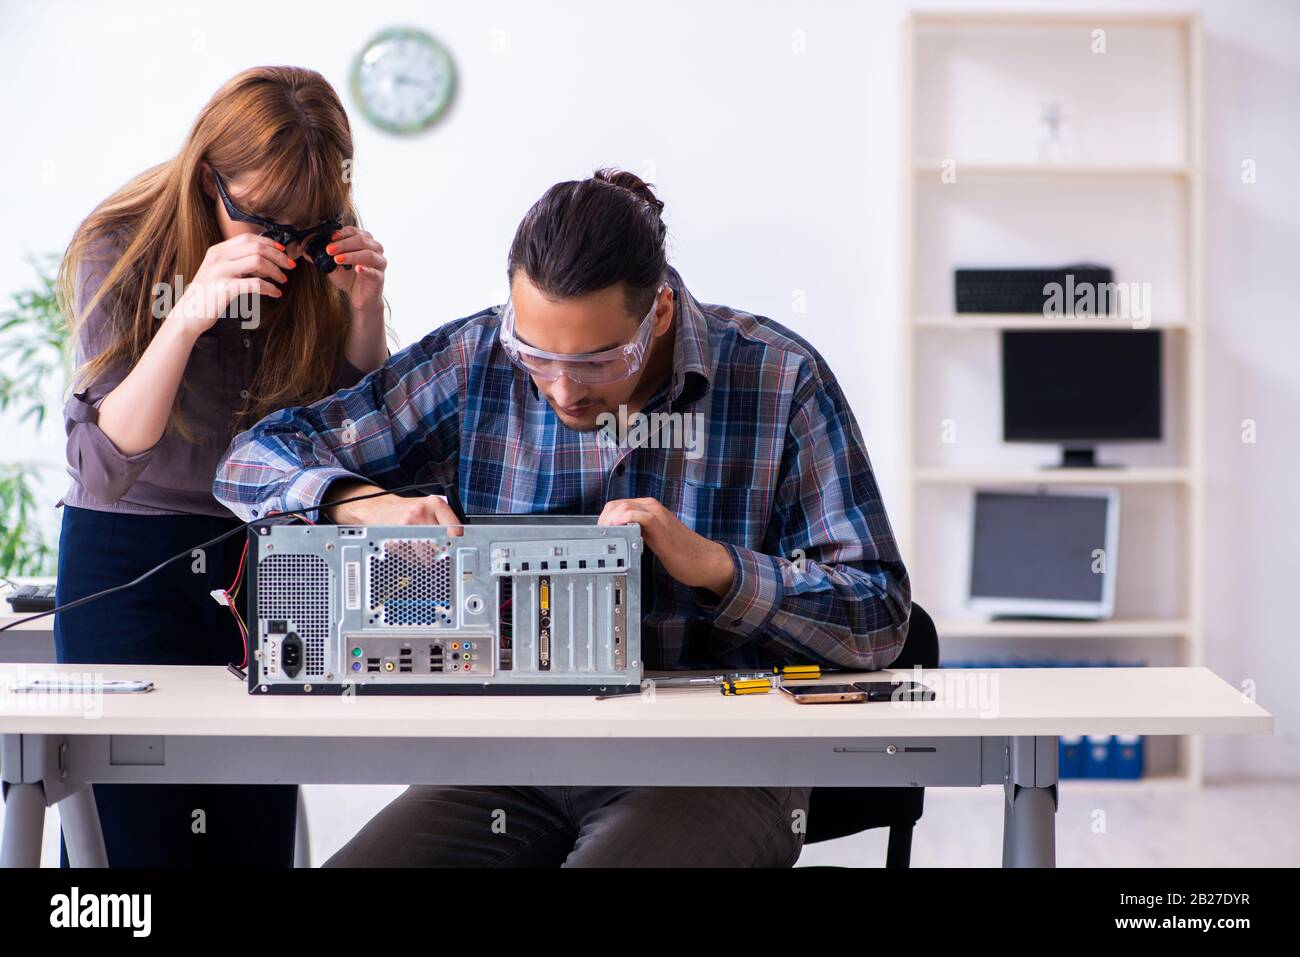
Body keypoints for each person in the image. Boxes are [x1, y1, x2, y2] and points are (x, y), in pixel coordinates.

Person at [214, 168, 910, 867]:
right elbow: (249, 460)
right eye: (536, 355)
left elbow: (879, 617)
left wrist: (717, 568)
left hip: (716, 762)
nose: (562, 390)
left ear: (659, 313)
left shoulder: (779, 380)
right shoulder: (477, 359)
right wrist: (362, 504)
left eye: (597, 361)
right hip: (516, 762)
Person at [54, 65, 390, 866]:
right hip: (127, 557)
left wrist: (363, 312)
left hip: (267, 555)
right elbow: (105, 466)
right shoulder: (122, 244)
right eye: (265, 224)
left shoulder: (315, 257)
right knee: (128, 833)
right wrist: (186, 316)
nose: (285, 247)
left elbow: (360, 435)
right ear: (211, 180)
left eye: (304, 229)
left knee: (248, 824)